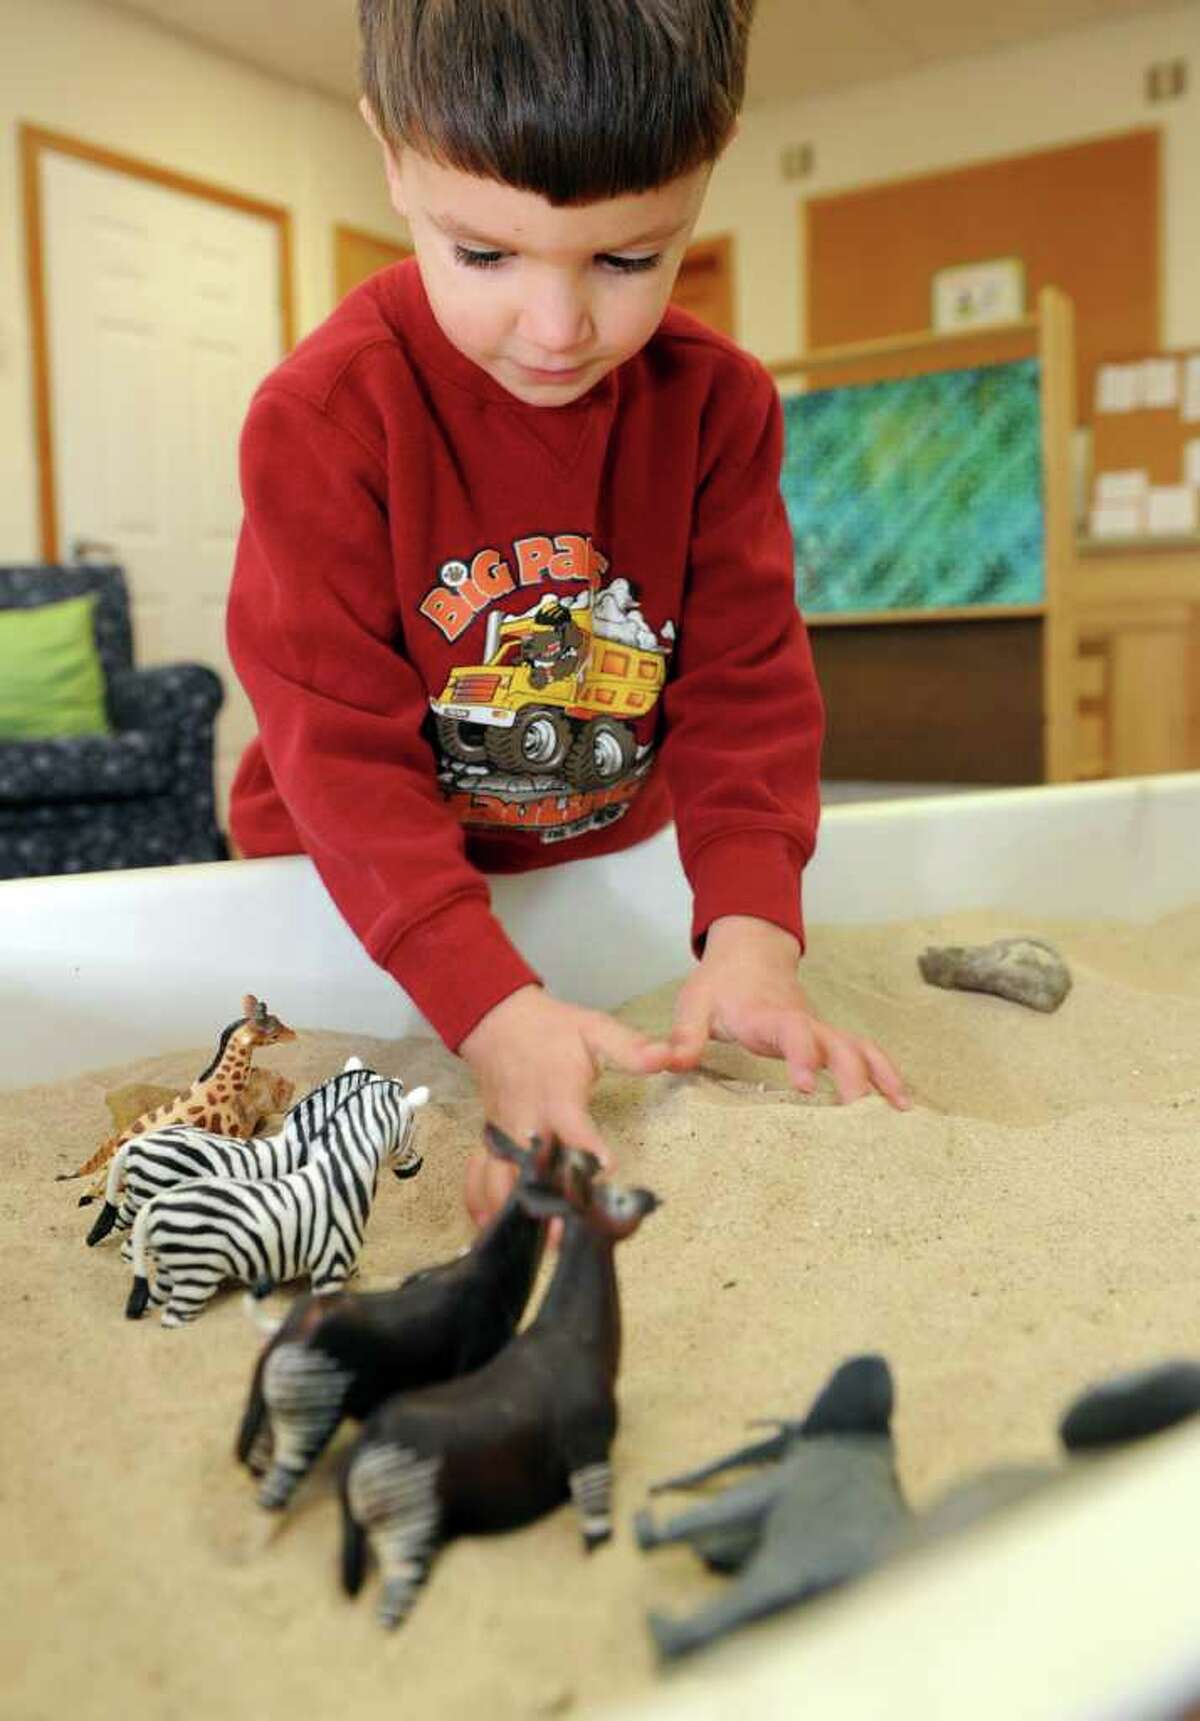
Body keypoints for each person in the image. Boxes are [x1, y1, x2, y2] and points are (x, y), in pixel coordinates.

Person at [226, 0, 909, 1226]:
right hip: (338, 885)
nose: (556, 328)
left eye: (627, 260)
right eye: (483, 255)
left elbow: (746, 688)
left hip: (586, 852)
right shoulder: (324, 417)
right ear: (392, 157)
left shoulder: (717, 406)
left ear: (711, 161)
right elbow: (340, 753)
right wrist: (493, 1015)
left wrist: (753, 940)